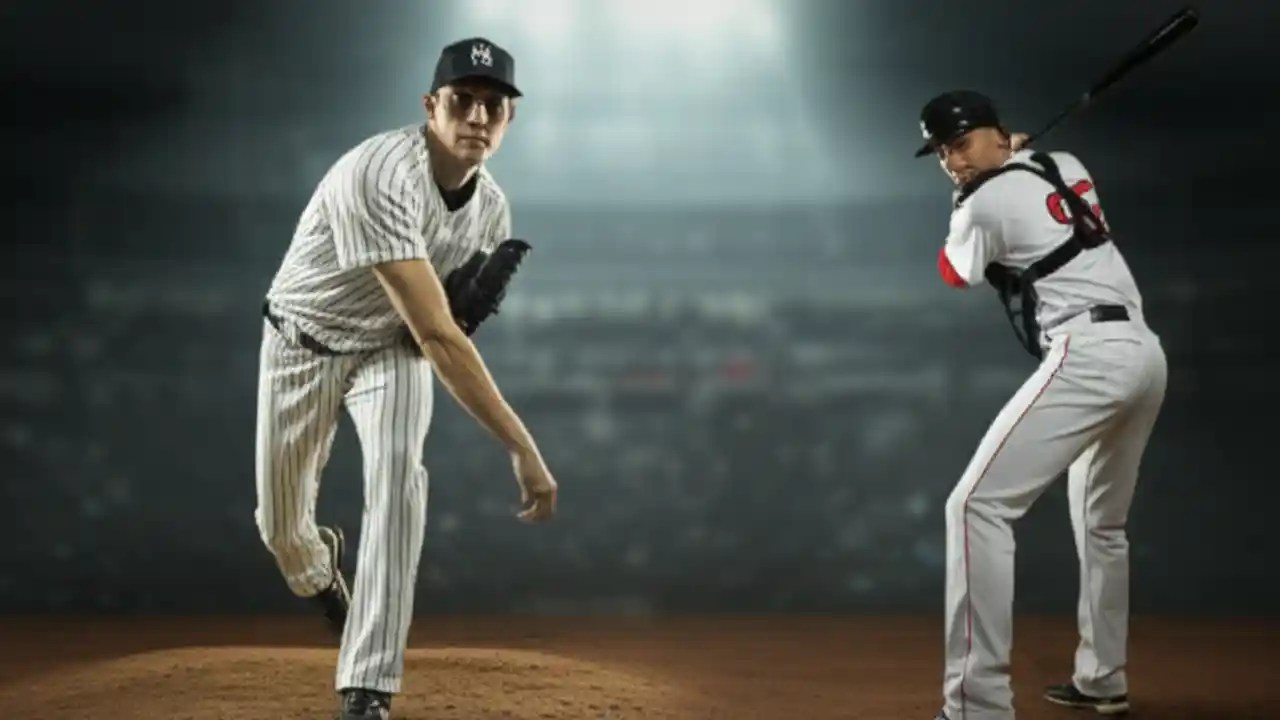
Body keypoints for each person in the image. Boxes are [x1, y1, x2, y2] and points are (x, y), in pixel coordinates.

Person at [253, 37, 558, 720]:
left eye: (494, 105)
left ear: (509, 119)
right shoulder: (379, 174)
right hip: (301, 343)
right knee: (280, 529)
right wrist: (522, 446)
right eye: (462, 100)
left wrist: (457, 321)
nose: (478, 115)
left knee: (399, 476)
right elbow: (441, 333)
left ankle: (368, 685)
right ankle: (317, 570)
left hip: (390, 352)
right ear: (431, 106)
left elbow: (439, 331)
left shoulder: (491, 212)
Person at [915, 90, 1167, 720]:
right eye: (943, 150)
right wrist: (1012, 159)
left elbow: (955, 272)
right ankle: (1103, 679)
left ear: (997, 133)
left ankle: (978, 705)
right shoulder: (1068, 164)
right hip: (1144, 354)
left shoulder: (983, 201)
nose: (952, 159)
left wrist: (969, 194)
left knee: (975, 506)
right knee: (1103, 526)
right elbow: (1037, 195)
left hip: (1089, 354)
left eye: (963, 142)